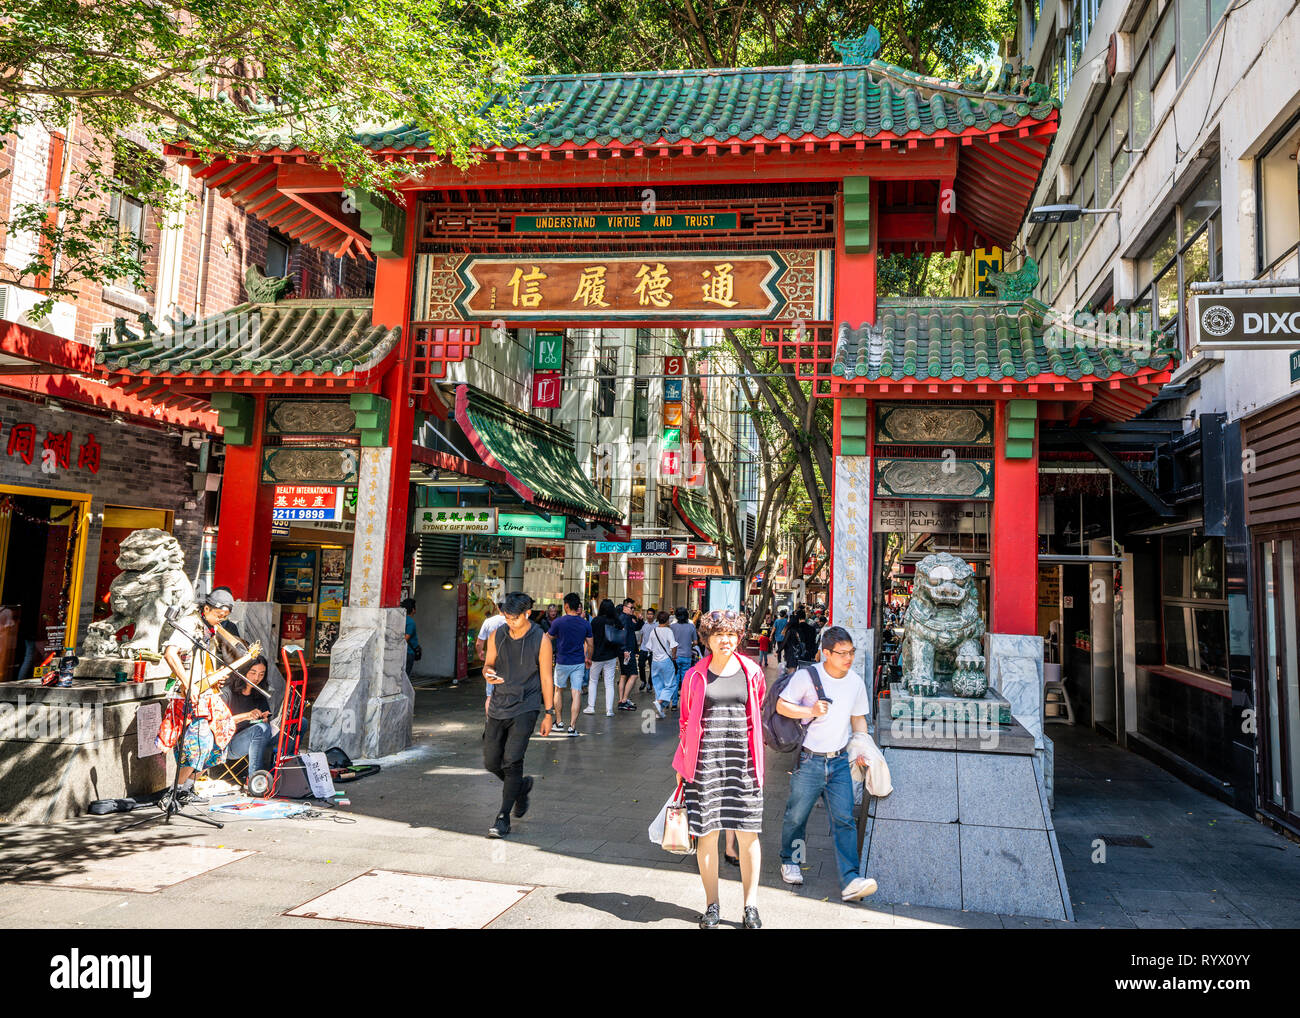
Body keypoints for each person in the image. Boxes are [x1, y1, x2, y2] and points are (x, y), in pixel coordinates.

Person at [672, 609, 767, 930]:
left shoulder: (752, 672)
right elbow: (685, 722)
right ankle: (711, 904)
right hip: (704, 765)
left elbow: (758, 712)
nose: (725, 640)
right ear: (707, 639)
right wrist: (682, 765)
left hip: (744, 764)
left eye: (730, 634)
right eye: (718, 635)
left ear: (739, 636)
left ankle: (750, 905)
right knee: (707, 835)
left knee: (748, 835)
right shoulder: (695, 675)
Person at [776, 626, 878, 903]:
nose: (848, 658)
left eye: (851, 652)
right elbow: (782, 706)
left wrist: (862, 747)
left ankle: (851, 879)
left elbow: (858, 720)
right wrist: (810, 710)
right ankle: (792, 860)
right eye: (842, 653)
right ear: (826, 653)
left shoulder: (855, 682)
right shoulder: (806, 676)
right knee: (797, 816)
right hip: (809, 760)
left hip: (840, 762)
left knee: (844, 819)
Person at [161, 587, 246, 804]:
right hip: (189, 693)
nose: (221, 620)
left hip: (207, 692)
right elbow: (171, 653)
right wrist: (186, 682)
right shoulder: (190, 623)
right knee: (199, 742)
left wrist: (215, 678)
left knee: (221, 737)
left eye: (225, 617)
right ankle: (174, 791)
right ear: (206, 608)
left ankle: (187, 788)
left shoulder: (212, 630)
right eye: (219, 615)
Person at [482, 591, 555, 838]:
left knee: (512, 760)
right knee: (491, 761)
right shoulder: (497, 635)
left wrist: (549, 712)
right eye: (506, 617)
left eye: (514, 618)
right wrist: (488, 673)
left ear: (527, 613)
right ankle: (521, 788)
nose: (510, 622)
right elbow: (488, 664)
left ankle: (502, 817)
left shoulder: (541, 639)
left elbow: (546, 677)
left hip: (526, 704)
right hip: (499, 703)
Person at [224, 654, 276, 782]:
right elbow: (220, 722)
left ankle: (278, 773)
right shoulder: (228, 692)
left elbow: (263, 718)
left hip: (257, 739)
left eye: (261, 674)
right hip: (230, 743)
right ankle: (255, 780)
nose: (257, 678)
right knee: (260, 729)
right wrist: (247, 715)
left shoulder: (259, 693)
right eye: (253, 672)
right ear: (243, 671)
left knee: (300, 723)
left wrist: (264, 718)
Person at [547, 592, 591, 736]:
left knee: (558, 690)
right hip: (578, 662)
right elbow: (590, 644)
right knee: (576, 692)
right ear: (577, 606)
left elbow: (547, 639)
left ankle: (559, 722)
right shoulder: (585, 623)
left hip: (562, 661)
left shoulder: (558, 622)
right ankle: (572, 727)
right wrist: (588, 658)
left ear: (566, 606)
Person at [584, 598, 623, 718]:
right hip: (611, 656)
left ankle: (591, 707)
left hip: (597, 656)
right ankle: (609, 710)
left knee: (593, 680)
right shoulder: (615, 621)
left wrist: (588, 655)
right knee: (609, 683)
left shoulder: (595, 621)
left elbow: (591, 640)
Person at [640, 610, 678, 718]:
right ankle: (660, 702)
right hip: (666, 660)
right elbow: (674, 645)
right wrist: (674, 655)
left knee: (658, 685)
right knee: (670, 684)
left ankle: (659, 712)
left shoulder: (654, 631)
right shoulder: (668, 631)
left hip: (655, 662)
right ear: (667, 620)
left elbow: (649, 646)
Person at [476, 606, 508, 716]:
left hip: (492, 662)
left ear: (498, 607)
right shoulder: (515, 622)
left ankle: (489, 722)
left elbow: (479, 643)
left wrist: (480, 653)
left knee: (490, 695)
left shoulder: (489, 622)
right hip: (510, 662)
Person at [668, 608, 697, 711]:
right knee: (685, 681)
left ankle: (674, 703)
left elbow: (669, 642)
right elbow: (695, 642)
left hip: (675, 656)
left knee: (675, 680)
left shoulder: (672, 627)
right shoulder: (691, 627)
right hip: (687, 656)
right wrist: (689, 644)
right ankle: (685, 703)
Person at [617, 598, 642, 711]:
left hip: (624, 651)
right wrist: (625, 650)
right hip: (627, 652)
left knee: (623, 675)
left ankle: (621, 699)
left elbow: (635, 628)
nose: (632, 610)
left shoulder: (625, 618)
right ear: (624, 607)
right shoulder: (625, 619)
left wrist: (640, 620)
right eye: (631, 608)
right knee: (634, 675)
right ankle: (624, 700)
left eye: (633, 608)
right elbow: (623, 635)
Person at [401, 598, 421, 676]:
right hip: (408, 652)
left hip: (401, 652)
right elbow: (406, 638)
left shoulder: (401, 619)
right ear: (413, 609)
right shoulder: (411, 622)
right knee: (405, 675)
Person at [637, 606, 656, 692]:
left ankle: (649, 683)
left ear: (654, 615)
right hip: (643, 649)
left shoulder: (657, 625)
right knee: (641, 665)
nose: (649, 616)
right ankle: (643, 681)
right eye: (648, 614)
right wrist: (639, 645)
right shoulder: (643, 624)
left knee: (653, 668)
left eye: (651, 614)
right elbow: (641, 635)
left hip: (653, 650)